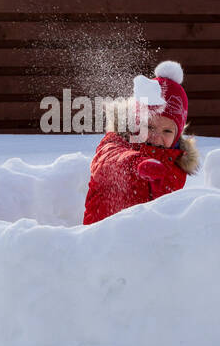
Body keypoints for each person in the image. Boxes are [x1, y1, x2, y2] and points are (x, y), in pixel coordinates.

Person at [82, 60, 200, 225]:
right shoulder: (117, 141)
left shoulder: (177, 164)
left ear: (177, 134)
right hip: (101, 239)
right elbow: (108, 162)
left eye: (167, 131)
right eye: (149, 126)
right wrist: (136, 163)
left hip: (143, 242)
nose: (156, 137)